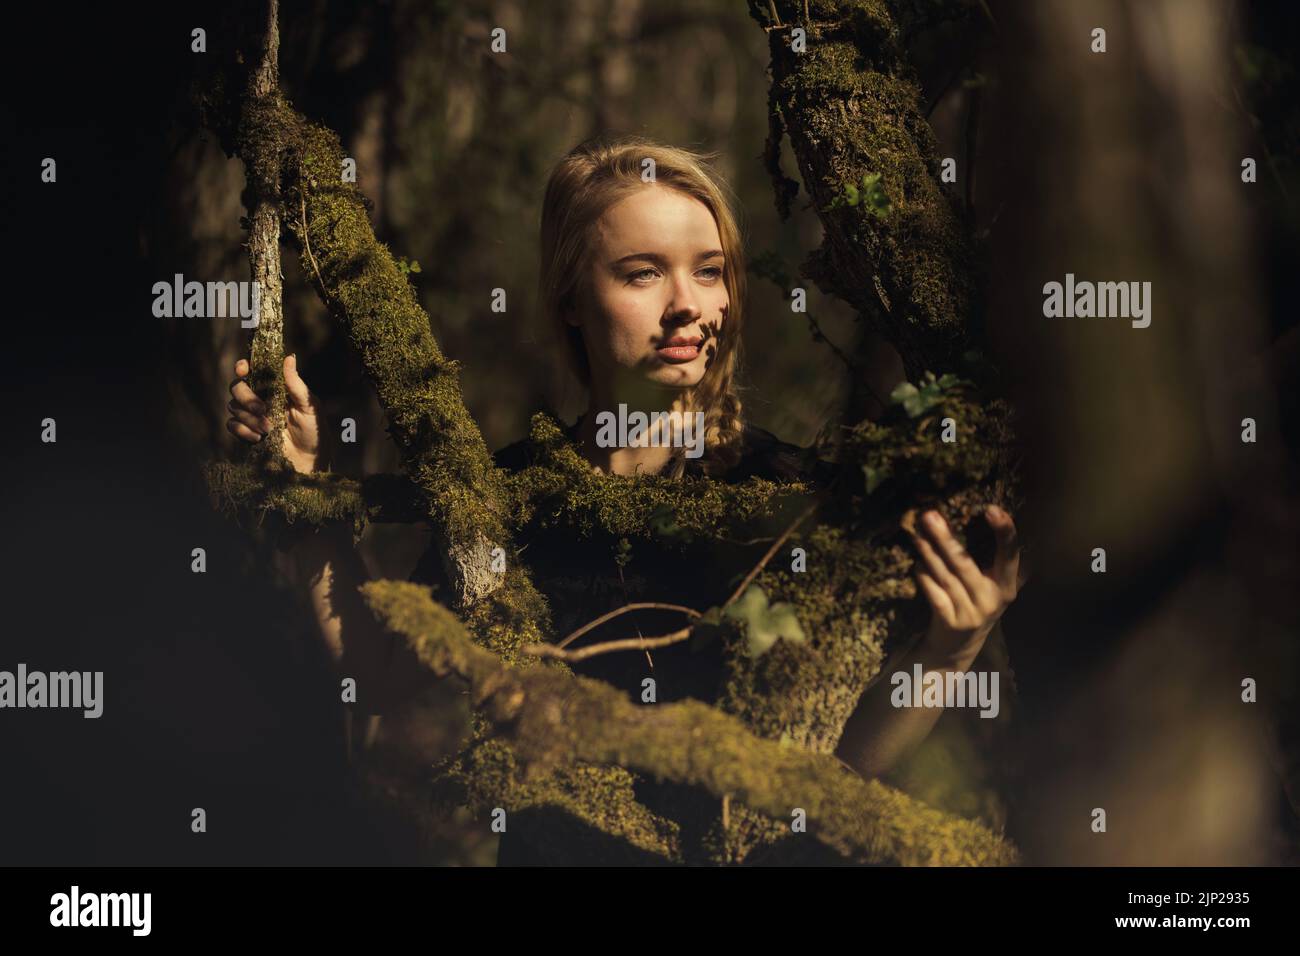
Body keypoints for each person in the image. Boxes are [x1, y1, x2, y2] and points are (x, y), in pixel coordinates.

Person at [225, 134, 1023, 852]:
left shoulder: (790, 501)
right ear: (571, 300)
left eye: (710, 272)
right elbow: (380, 676)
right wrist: (300, 494)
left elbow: (842, 767)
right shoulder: (507, 498)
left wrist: (953, 649)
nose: (688, 304)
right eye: (642, 273)